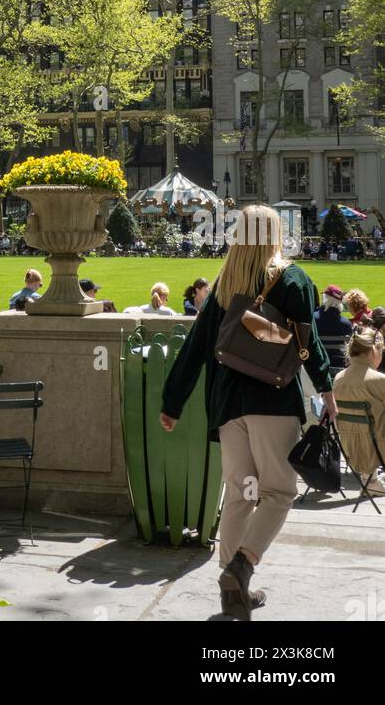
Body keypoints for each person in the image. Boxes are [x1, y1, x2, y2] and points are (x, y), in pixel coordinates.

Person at [160, 205, 335, 621]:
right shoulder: (292, 278)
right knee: (279, 492)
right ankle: (243, 566)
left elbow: (197, 346)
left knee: (241, 493)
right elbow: (308, 344)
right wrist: (326, 387)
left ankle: (232, 591)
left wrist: (173, 401)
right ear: (275, 233)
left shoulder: (224, 283)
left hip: (226, 403)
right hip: (273, 401)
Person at [333, 327, 385, 494]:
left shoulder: (338, 378)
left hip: (350, 448)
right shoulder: (378, 380)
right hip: (378, 449)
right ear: (373, 350)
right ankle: (372, 481)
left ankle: (371, 481)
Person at [314, 285, 354, 373]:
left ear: (324, 298)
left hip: (316, 366)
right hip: (339, 368)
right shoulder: (346, 324)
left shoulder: (313, 319)